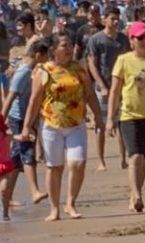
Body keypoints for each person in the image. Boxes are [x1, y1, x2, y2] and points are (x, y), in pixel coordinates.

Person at [21, 33, 104, 221]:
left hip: (77, 124)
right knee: (55, 167)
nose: (69, 49)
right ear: (53, 49)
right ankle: (54, 209)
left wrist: (99, 118)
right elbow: (34, 101)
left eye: (71, 45)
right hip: (51, 125)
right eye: (64, 46)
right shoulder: (44, 70)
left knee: (78, 163)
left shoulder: (79, 68)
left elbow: (90, 95)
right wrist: (27, 127)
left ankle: (70, 203)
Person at [108, 20, 145, 213]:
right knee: (134, 156)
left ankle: (136, 192)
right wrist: (110, 117)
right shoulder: (124, 60)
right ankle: (137, 195)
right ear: (131, 40)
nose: (144, 40)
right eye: (140, 37)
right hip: (128, 115)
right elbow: (115, 91)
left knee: (143, 158)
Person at [3, 39, 50, 206]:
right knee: (27, 153)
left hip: (26, 117)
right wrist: (0, 123)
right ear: (38, 56)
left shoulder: (32, 70)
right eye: (46, 56)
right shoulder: (23, 72)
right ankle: (34, 191)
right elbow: (10, 97)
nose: (48, 60)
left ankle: (6, 193)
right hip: (19, 119)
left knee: (16, 159)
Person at [85, 6, 129, 171]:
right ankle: (101, 160)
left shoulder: (123, 39)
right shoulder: (96, 39)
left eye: (117, 18)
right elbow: (92, 64)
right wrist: (102, 86)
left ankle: (123, 159)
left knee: (122, 124)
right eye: (112, 18)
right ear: (104, 19)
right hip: (102, 87)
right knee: (100, 124)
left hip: (121, 87)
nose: (115, 21)